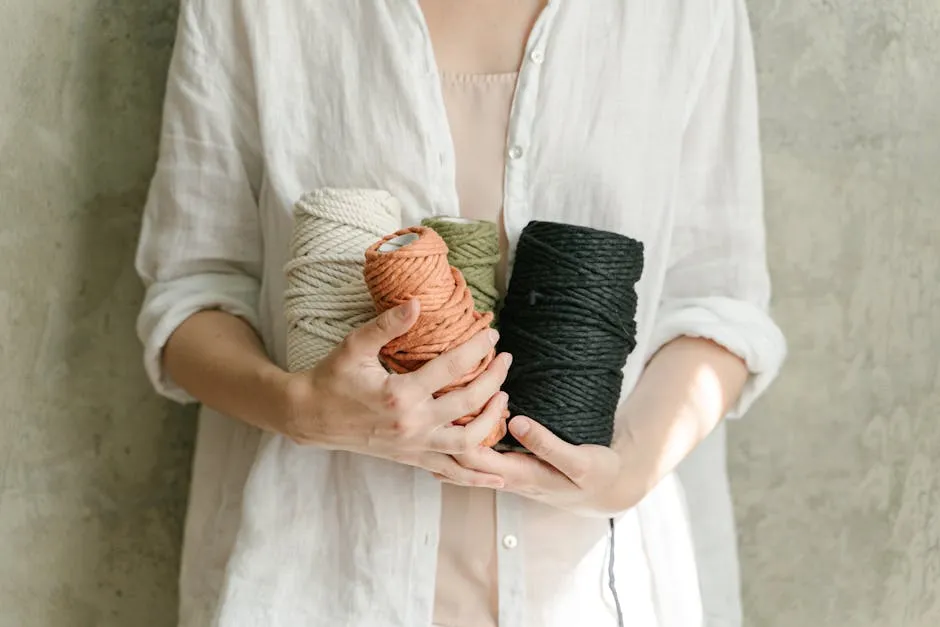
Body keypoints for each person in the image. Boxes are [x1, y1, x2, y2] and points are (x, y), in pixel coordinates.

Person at [135, 1, 786, 625]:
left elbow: (716, 300)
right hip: (327, 576)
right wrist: (299, 408)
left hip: (592, 586)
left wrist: (627, 471)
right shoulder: (254, 9)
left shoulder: (685, 12)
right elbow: (193, 287)